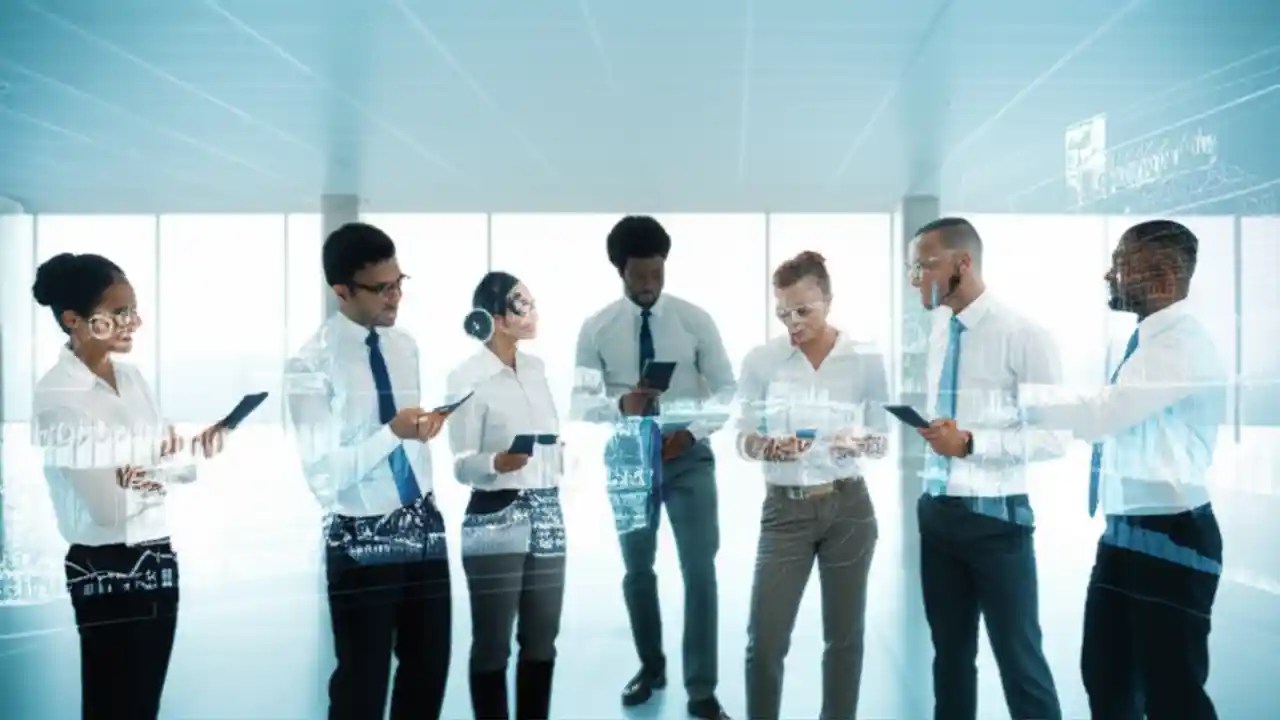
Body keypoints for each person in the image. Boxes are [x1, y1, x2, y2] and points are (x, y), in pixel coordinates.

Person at [1023, 219, 1226, 720]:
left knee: (1172, 693)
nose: (1108, 275)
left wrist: (1023, 403)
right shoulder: (1150, 342)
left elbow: (1104, 416)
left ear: (1164, 276)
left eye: (1121, 264)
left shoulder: (1179, 346)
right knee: (1107, 677)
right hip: (1127, 532)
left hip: (1171, 533)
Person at [31, 252, 224, 720]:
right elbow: (106, 510)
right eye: (119, 312)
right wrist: (151, 472)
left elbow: (167, 465)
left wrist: (147, 469)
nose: (134, 322)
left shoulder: (132, 378)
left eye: (133, 310)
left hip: (156, 552)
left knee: (143, 704)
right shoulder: (60, 395)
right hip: (105, 565)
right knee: (113, 706)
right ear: (73, 320)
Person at [570, 215, 735, 720]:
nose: (648, 284)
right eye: (638, 274)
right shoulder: (597, 328)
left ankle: (702, 690)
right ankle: (651, 667)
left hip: (688, 456)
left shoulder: (694, 320)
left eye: (656, 273)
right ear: (620, 270)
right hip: (629, 455)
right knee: (638, 569)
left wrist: (691, 432)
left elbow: (727, 389)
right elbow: (580, 402)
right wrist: (621, 407)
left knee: (700, 570)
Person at [284, 222, 451, 720]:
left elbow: (404, 434)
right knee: (363, 680)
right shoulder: (310, 365)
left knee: (428, 671)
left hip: (422, 522)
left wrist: (421, 429)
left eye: (399, 282)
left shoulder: (405, 346)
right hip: (360, 534)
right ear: (342, 291)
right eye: (381, 288)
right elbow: (324, 477)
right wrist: (391, 434)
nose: (395, 297)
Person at [908, 217, 1065, 720]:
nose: (916, 279)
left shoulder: (1025, 335)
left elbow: (1054, 437)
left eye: (926, 265)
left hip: (997, 520)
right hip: (938, 513)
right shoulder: (939, 330)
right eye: (913, 268)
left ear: (963, 262)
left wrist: (971, 443)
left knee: (1020, 660)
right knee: (950, 659)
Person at [736, 251, 887, 720]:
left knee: (844, 639)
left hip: (849, 508)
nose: (793, 322)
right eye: (783, 312)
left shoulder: (864, 360)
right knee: (765, 640)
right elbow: (743, 438)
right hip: (785, 513)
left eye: (803, 310)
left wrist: (859, 441)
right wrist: (766, 447)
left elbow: (882, 439)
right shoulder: (761, 361)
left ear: (829, 299)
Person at [446, 271, 566, 720]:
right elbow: (461, 463)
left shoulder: (537, 370)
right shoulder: (467, 377)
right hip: (495, 511)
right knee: (493, 642)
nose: (533, 312)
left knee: (542, 639)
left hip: (547, 508)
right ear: (496, 319)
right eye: (521, 304)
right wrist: (496, 462)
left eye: (532, 302)